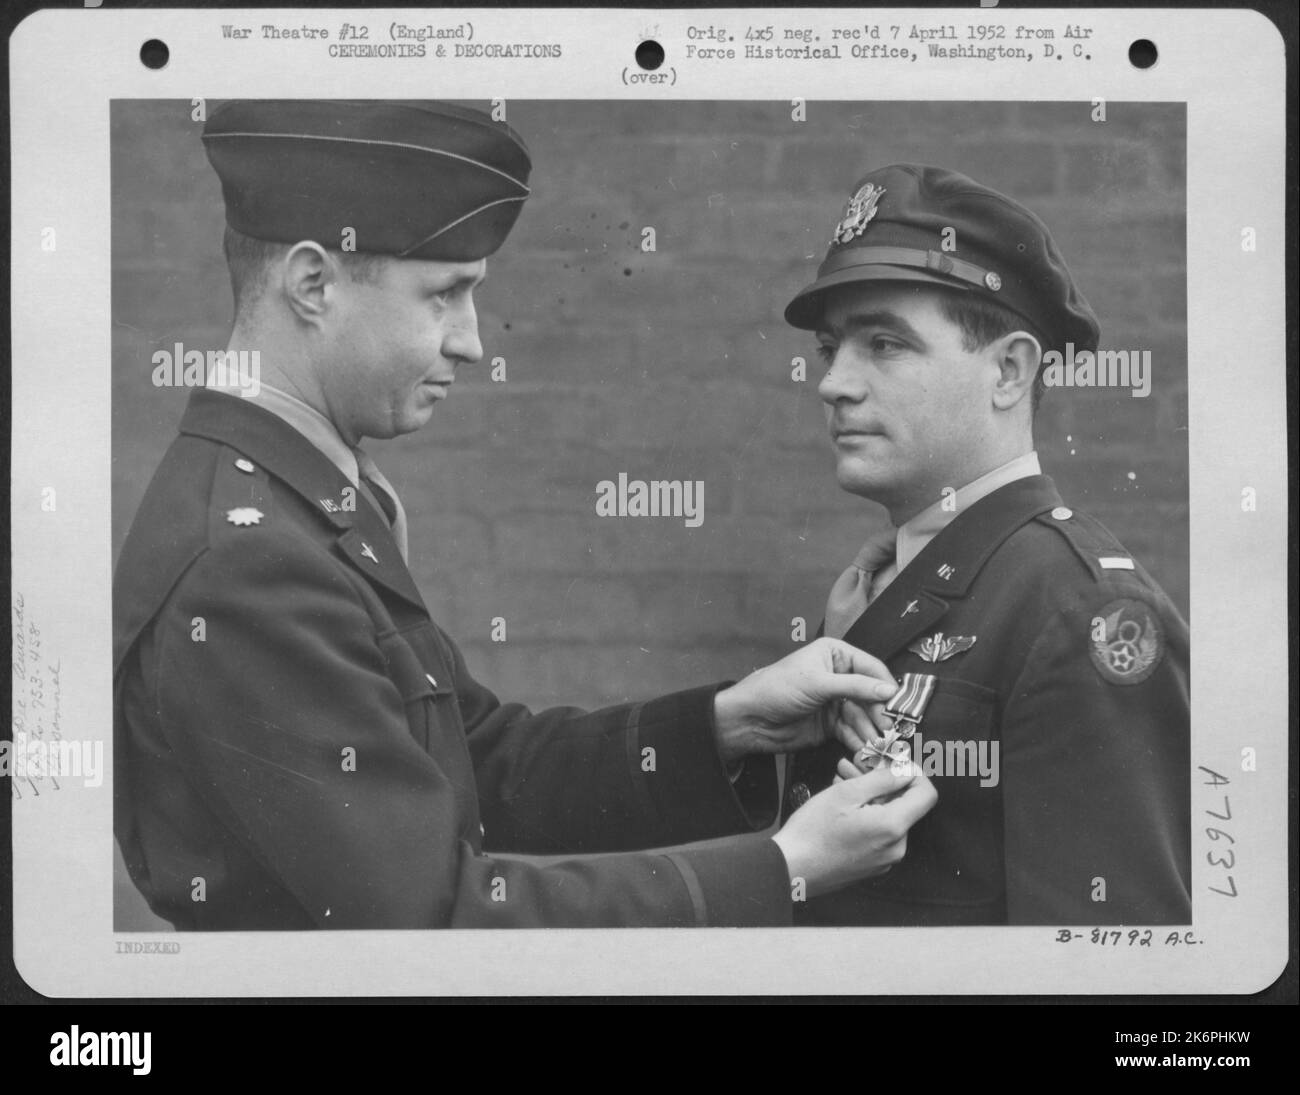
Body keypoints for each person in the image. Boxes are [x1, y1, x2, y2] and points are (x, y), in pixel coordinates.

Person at [112, 101, 937, 931]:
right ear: (314, 283)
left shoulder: (293, 501)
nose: (472, 340)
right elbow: (435, 918)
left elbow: (477, 761)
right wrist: (782, 867)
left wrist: (725, 724)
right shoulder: (247, 561)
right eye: (445, 293)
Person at [780, 164, 1190, 926]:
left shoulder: (1081, 612)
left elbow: (1109, 964)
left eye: (883, 344)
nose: (833, 382)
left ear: (1009, 370)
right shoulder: (882, 585)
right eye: (831, 346)